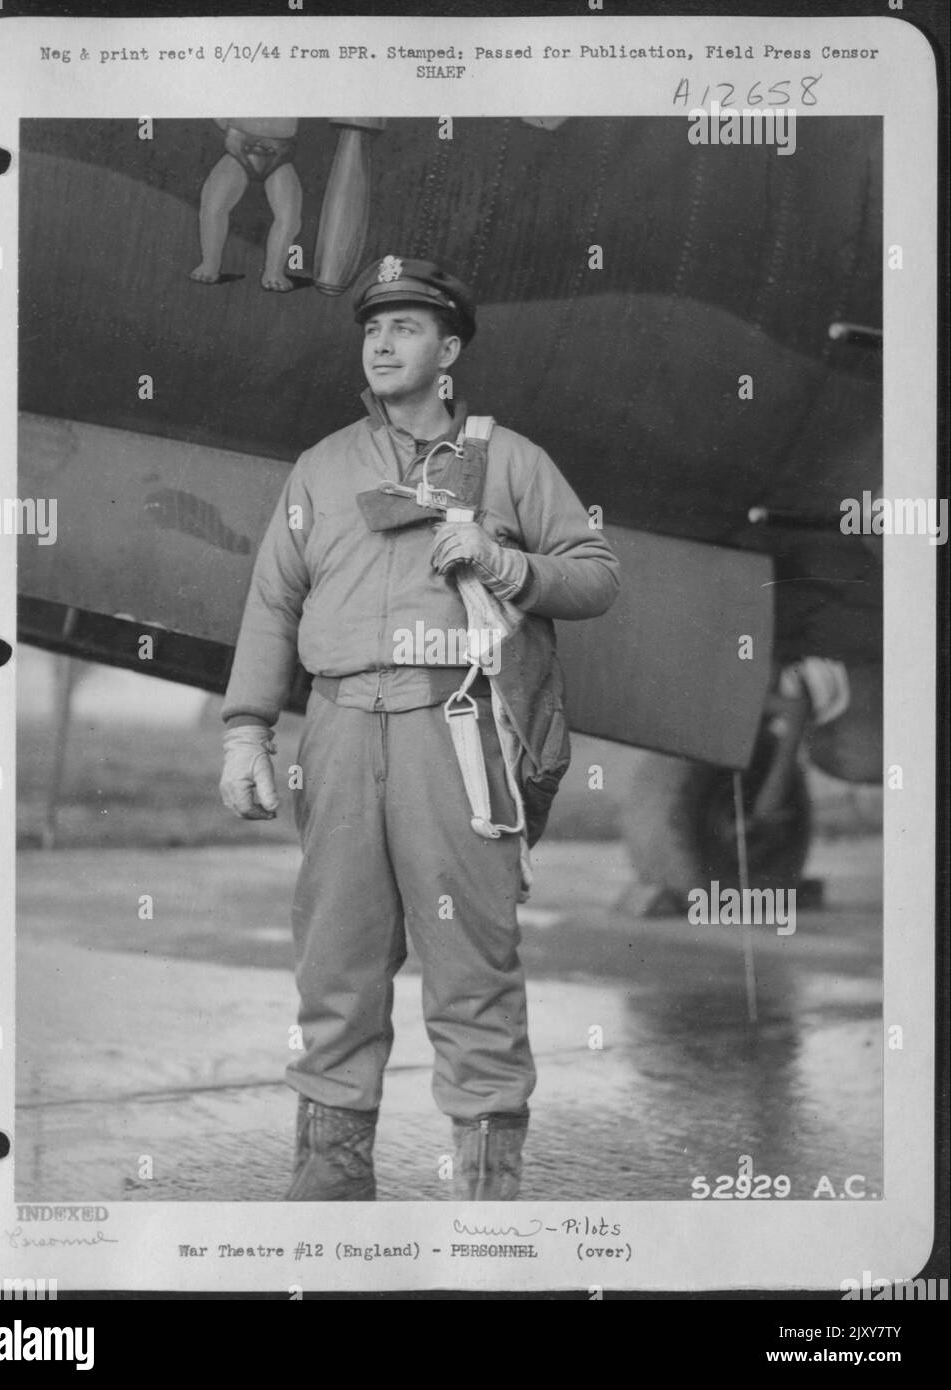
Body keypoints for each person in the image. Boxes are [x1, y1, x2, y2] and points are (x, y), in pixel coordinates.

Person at [219, 256, 619, 1199]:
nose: (384, 343)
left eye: (406, 327)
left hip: (460, 729)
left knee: (471, 964)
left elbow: (597, 572)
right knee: (336, 962)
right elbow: (273, 604)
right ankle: (328, 1200)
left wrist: (507, 562)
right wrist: (246, 731)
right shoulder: (321, 467)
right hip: (343, 727)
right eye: (372, 329)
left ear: (450, 350)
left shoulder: (509, 460)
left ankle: (487, 1213)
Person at [190, 118, 302, 292]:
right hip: (238, 145)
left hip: (280, 151)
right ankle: (210, 264)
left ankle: (274, 272)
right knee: (212, 207)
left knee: (289, 219)